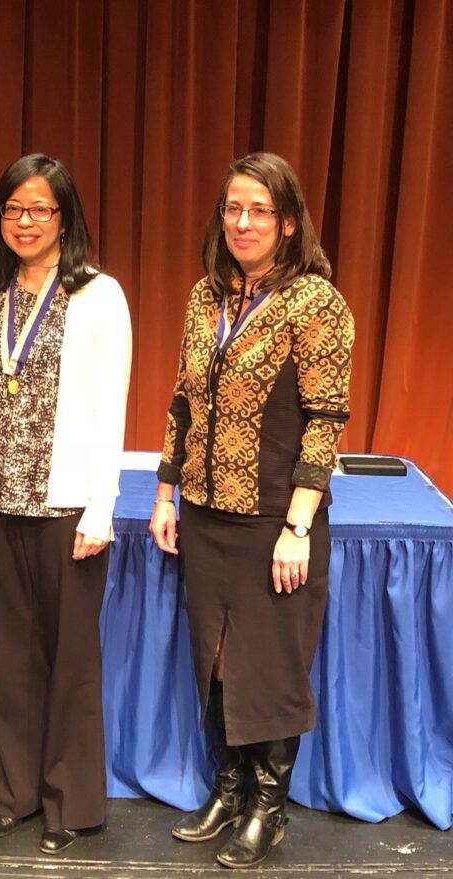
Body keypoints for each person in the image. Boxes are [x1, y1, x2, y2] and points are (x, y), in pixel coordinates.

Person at [150, 152, 354, 869]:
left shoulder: (317, 303)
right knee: (218, 660)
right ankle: (228, 788)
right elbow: (181, 399)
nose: (242, 222)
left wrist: (299, 524)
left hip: (276, 519)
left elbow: (327, 419)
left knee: (268, 665)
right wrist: (165, 492)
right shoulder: (206, 296)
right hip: (206, 513)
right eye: (233, 208)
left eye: (259, 210)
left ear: (288, 222)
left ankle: (270, 808)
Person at [0, 154, 132, 855]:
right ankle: (12, 795)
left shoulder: (98, 295)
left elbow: (110, 408)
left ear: (65, 218)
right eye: (13, 209)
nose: (25, 222)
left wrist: (99, 507)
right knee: (8, 660)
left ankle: (69, 806)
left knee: (70, 663)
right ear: (0, 218)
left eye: (40, 209)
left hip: (66, 509)